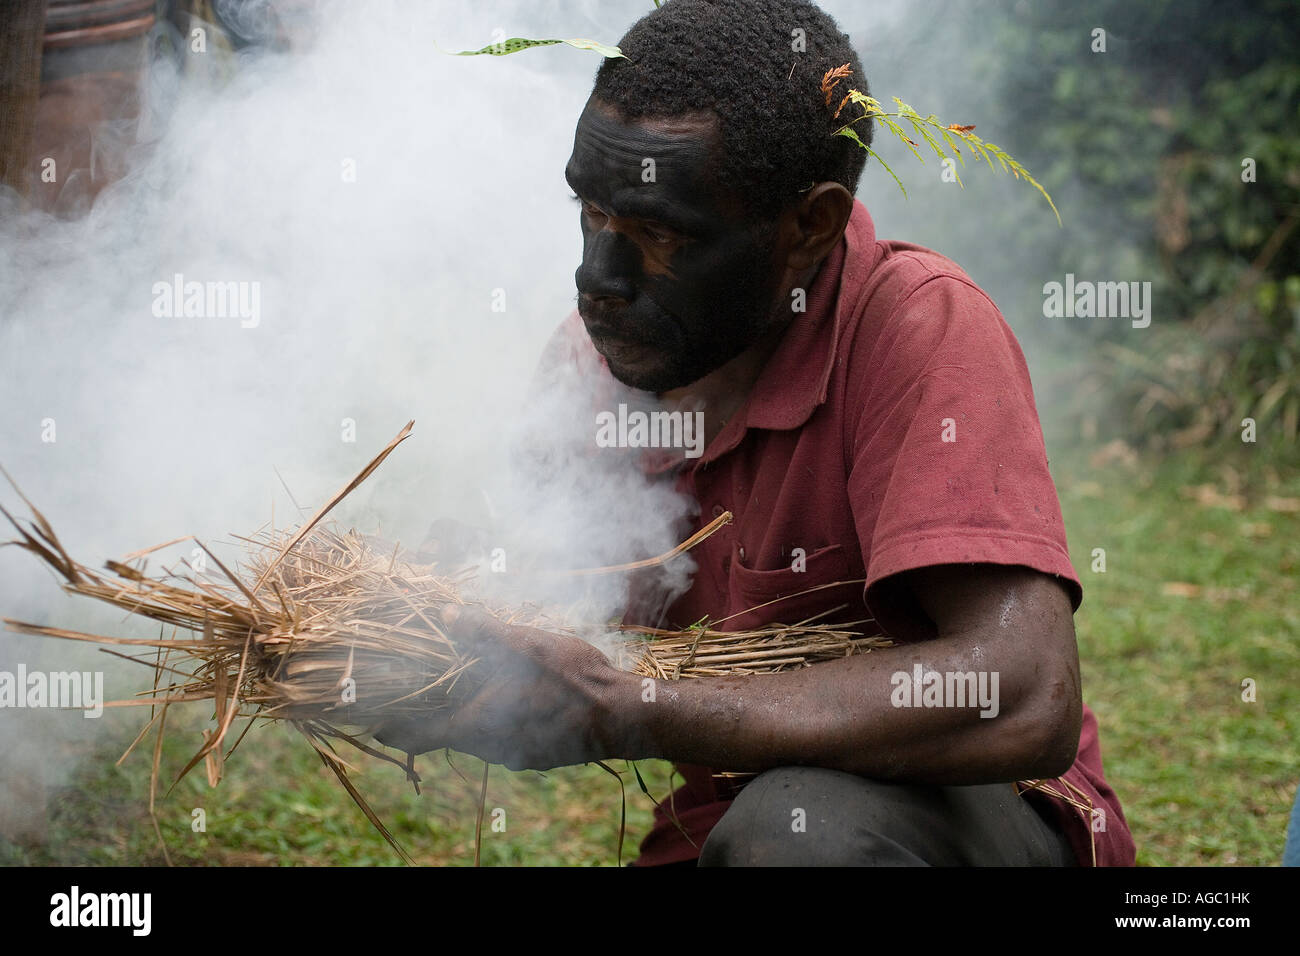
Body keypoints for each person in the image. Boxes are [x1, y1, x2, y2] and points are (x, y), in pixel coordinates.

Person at [381, 0, 1135, 867]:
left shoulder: (915, 327)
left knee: (799, 830)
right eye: (592, 213)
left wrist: (629, 709)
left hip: (956, 828)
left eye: (659, 231)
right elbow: (562, 606)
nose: (597, 279)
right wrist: (421, 636)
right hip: (731, 833)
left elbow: (1025, 690)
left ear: (807, 227)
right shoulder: (600, 359)